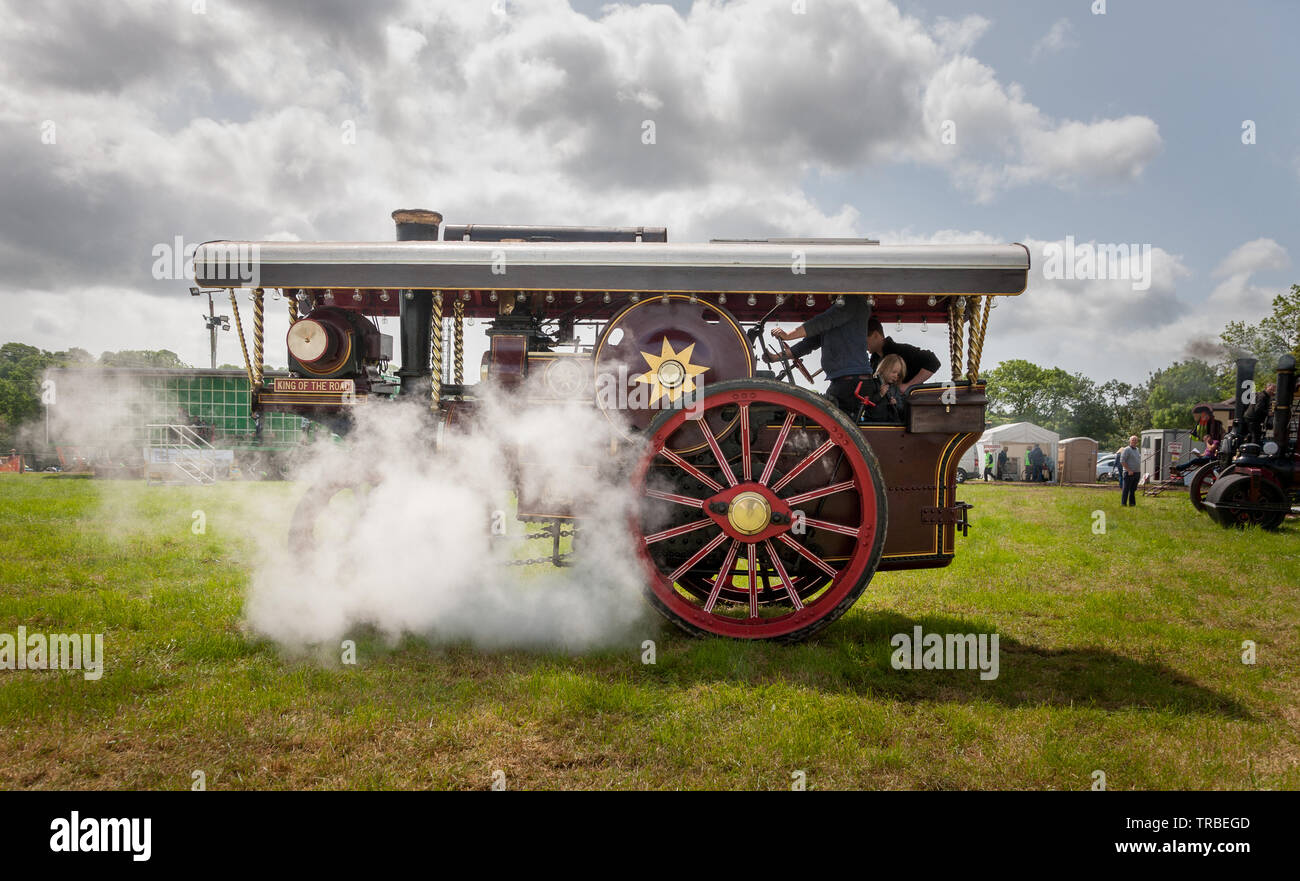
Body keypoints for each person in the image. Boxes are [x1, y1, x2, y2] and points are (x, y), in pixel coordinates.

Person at [770, 296, 873, 415]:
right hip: (845, 381)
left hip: (851, 383)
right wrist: (775, 357)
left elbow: (822, 321)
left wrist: (788, 335)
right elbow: (809, 343)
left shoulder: (853, 300)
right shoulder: (838, 316)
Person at [865, 317, 941, 392]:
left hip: (908, 402)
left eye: (864, 340)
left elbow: (933, 361)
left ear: (875, 335)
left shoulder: (902, 350)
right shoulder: (874, 360)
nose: (862, 345)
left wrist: (909, 386)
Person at [1170, 404, 1223, 476]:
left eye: (1207, 438)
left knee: (1193, 461)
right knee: (1193, 461)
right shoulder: (1208, 443)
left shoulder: (1215, 442)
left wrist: (1207, 442)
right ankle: (1178, 469)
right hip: (1206, 458)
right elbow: (1203, 455)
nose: (1206, 440)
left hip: (1211, 459)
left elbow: (1211, 449)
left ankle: (1178, 468)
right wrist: (1197, 454)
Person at [863, 354, 908, 423]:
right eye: (894, 372)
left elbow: (902, 407)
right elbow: (864, 405)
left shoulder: (895, 389)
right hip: (872, 423)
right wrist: (880, 395)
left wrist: (896, 404)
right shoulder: (873, 384)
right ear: (884, 368)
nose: (896, 376)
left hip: (890, 424)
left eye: (898, 375)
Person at [1119, 435, 1141, 506]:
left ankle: (1132, 504)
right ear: (1130, 441)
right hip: (1129, 473)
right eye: (1133, 440)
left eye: (1135, 440)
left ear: (1137, 441)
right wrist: (1129, 470)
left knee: (1133, 490)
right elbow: (1122, 461)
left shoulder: (1137, 449)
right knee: (1126, 489)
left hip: (1137, 472)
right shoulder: (1126, 449)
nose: (1134, 441)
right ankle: (1123, 504)